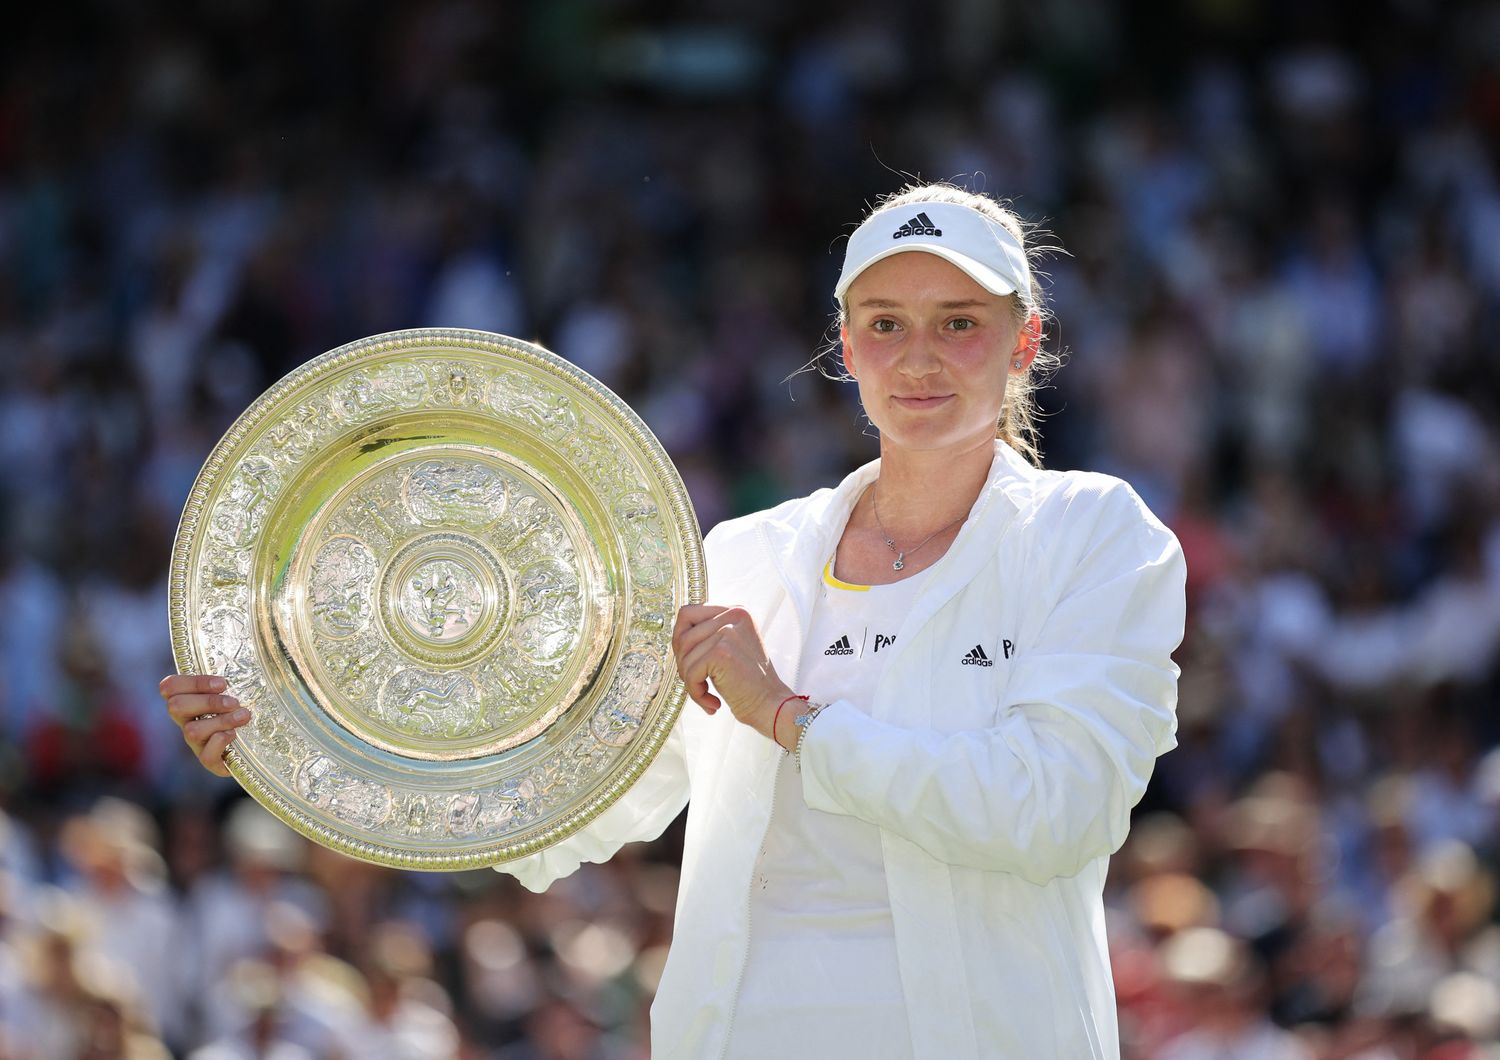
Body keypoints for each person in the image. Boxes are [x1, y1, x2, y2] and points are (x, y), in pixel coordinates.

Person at [161, 182, 1187, 1058]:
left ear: (1024, 342)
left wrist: (789, 717)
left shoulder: (1095, 536)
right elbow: (569, 810)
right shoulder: (743, 556)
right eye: (886, 324)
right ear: (846, 346)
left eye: (959, 322)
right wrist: (295, 745)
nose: (920, 357)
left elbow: (1053, 809)